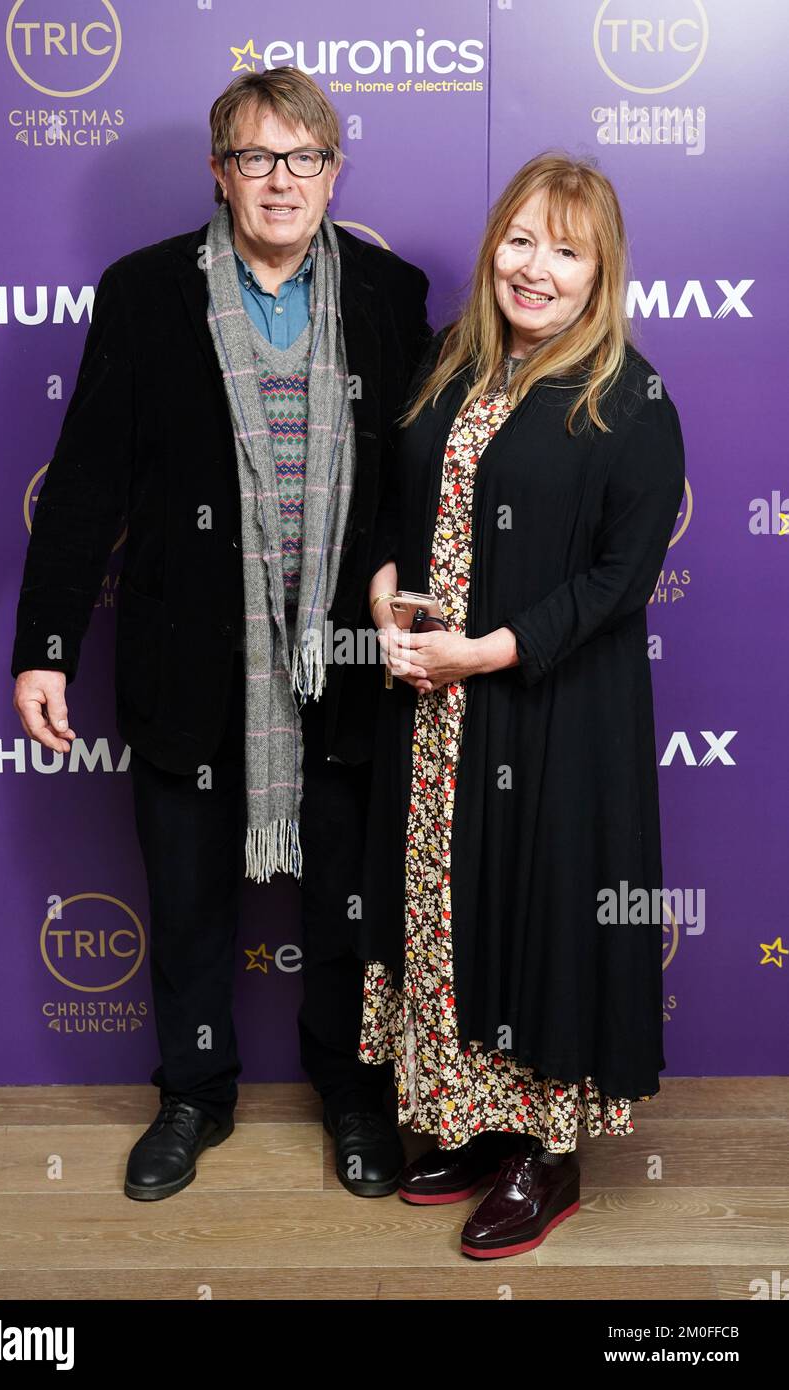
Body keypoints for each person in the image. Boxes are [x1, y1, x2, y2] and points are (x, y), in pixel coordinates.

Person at [10, 67, 431, 1201]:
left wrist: (402, 588)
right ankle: (194, 1095)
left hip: (344, 664)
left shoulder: (394, 295)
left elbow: (412, 478)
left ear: (334, 173)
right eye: (255, 157)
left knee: (347, 896)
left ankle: (352, 1093)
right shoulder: (145, 294)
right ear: (219, 172)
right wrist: (43, 646)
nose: (280, 181)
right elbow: (87, 483)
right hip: (192, 659)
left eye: (302, 159)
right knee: (187, 896)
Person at [359, 152, 685, 1257]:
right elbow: (401, 511)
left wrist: (484, 652)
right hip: (434, 715)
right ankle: (476, 1122)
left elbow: (616, 578)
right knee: (453, 914)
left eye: (564, 249)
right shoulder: (455, 367)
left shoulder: (627, 398)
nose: (532, 268)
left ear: (600, 274)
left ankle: (546, 1155)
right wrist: (386, 603)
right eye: (517, 240)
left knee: (539, 915)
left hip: (544, 714)